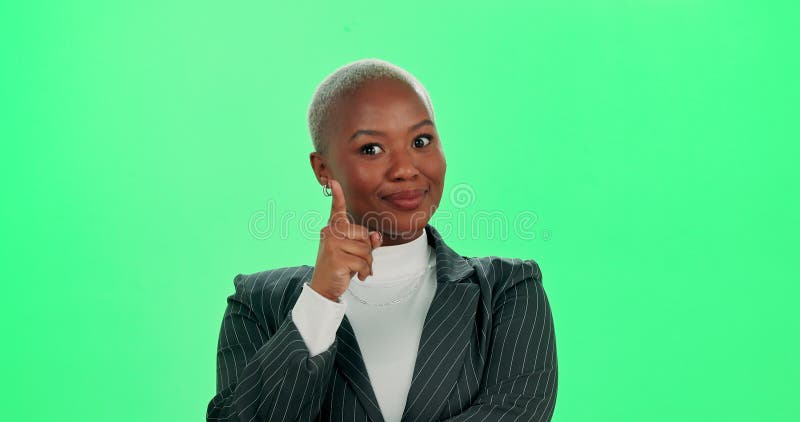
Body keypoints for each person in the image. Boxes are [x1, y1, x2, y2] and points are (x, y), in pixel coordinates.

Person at [207, 59, 558, 422]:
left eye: (421, 141)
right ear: (322, 169)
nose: (406, 169)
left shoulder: (507, 291)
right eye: (371, 149)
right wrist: (321, 299)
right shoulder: (258, 303)